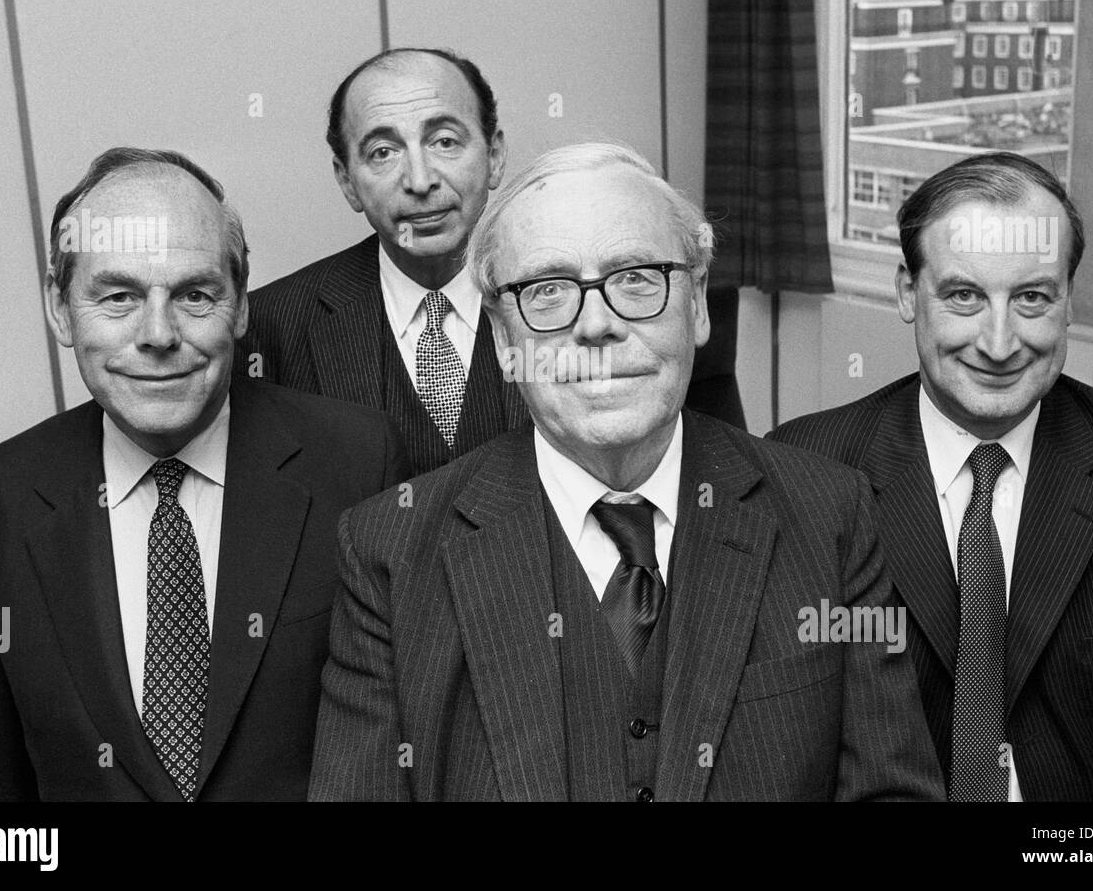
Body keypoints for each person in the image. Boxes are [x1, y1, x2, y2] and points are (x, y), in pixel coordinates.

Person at [308, 142, 943, 801]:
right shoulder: (390, 552)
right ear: (502, 339)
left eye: (637, 277)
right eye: (548, 291)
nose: (598, 325)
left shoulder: (831, 514)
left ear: (696, 305)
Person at [0, 148, 407, 800]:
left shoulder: (362, 463)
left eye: (193, 294)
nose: (158, 334)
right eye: (118, 295)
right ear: (59, 306)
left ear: (241, 303)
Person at [771, 151, 1093, 801]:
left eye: (1031, 297)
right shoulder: (805, 471)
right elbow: (795, 744)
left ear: (1067, 304)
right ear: (906, 294)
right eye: (964, 296)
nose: (999, 343)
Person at [236, 48, 527, 475]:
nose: (420, 181)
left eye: (445, 141)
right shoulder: (270, 327)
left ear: (494, 156)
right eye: (383, 152)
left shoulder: (567, 301)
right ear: (347, 180)